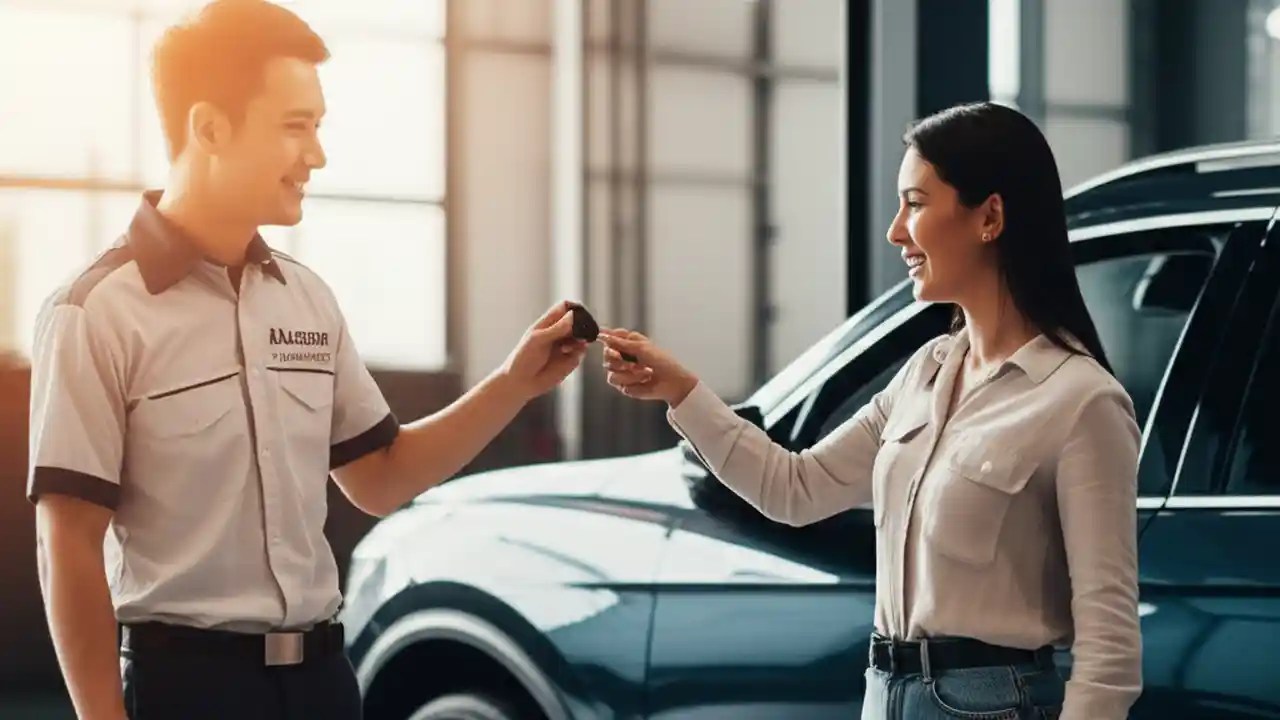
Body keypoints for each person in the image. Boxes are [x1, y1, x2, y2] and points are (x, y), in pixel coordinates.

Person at [26, 2, 587, 719]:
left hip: (323, 686)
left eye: (316, 127)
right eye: (296, 126)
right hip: (186, 692)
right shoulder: (93, 312)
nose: (316, 155)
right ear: (209, 128)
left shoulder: (307, 300)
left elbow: (380, 479)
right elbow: (68, 542)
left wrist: (514, 384)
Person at [598, 102, 1141, 720]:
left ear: (989, 216)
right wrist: (682, 392)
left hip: (994, 706)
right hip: (885, 694)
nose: (895, 231)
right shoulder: (926, 372)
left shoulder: (1081, 402)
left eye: (915, 202)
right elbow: (795, 489)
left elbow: (1111, 651)